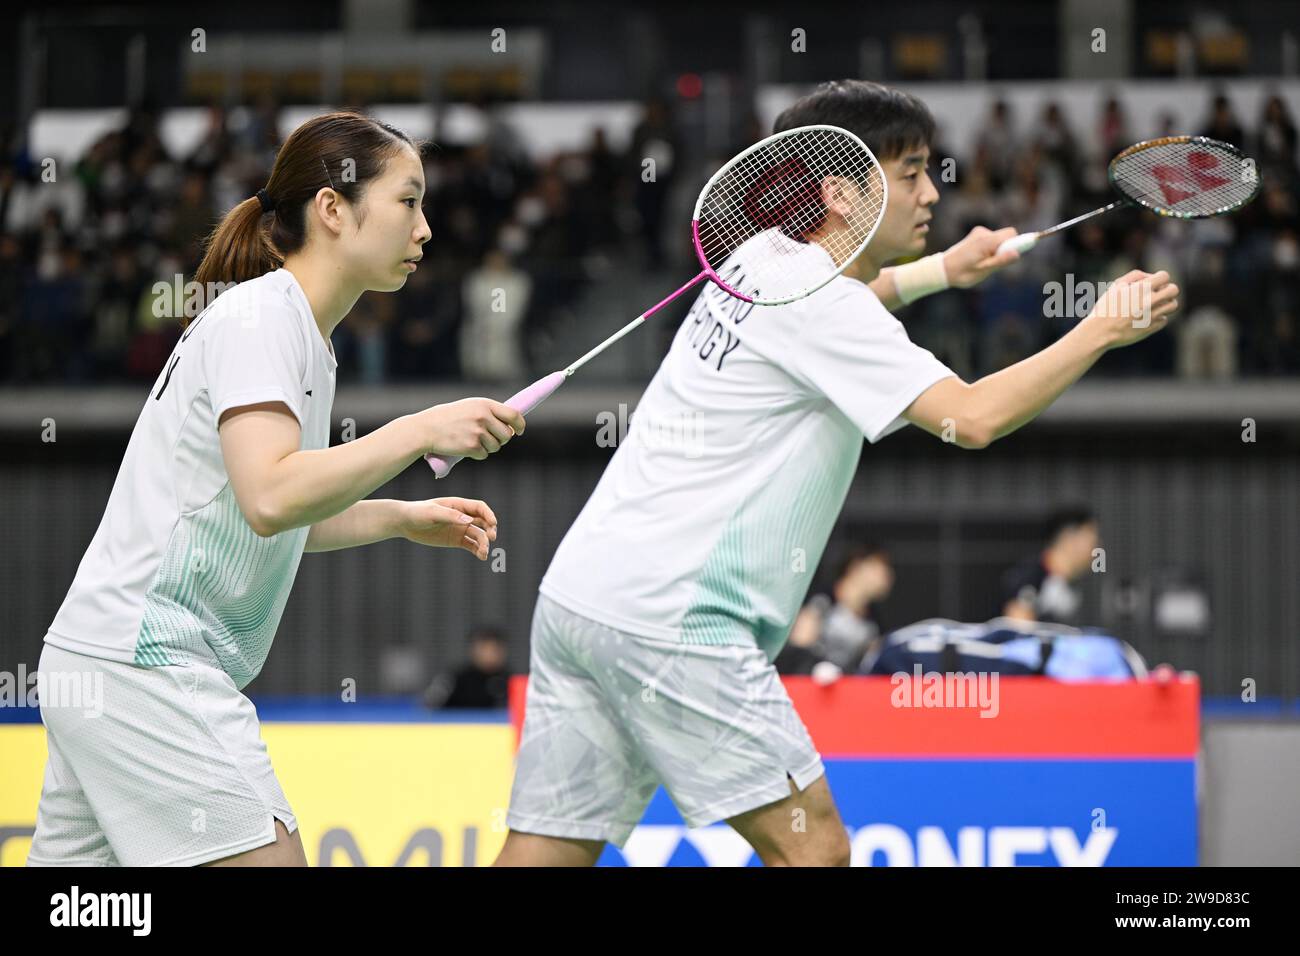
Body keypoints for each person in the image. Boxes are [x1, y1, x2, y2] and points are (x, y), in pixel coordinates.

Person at [494, 80, 1178, 867]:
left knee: (548, 849)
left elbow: (857, 293)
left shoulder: (760, 258)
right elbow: (974, 417)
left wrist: (943, 270)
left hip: (584, 598)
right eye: (911, 173)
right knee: (814, 848)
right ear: (839, 190)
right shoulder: (826, 304)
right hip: (676, 619)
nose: (932, 193)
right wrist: (1098, 329)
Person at [27, 110, 526, 868]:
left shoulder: (302, 338)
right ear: (333, 208)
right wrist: (420, 430)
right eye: (408, 201)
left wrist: (399, 516)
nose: (425, 229)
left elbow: (274, 511)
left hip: (99, 660)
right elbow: (270, 498)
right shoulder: (263, 318)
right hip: (147, 661)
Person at [776, 544, 894, 678]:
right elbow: (799, 645)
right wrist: (817, 668)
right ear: (856, 566)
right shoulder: (820, 600)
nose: (888, 576)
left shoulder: (875, 622)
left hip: (848, 685)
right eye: (880, 567)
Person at [998, 507, 1101, 626]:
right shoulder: (1029, 578)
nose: (1097, 546)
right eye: (1091, 536)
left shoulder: (1071, 585)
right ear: (1069, 537)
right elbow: (1019, 629)